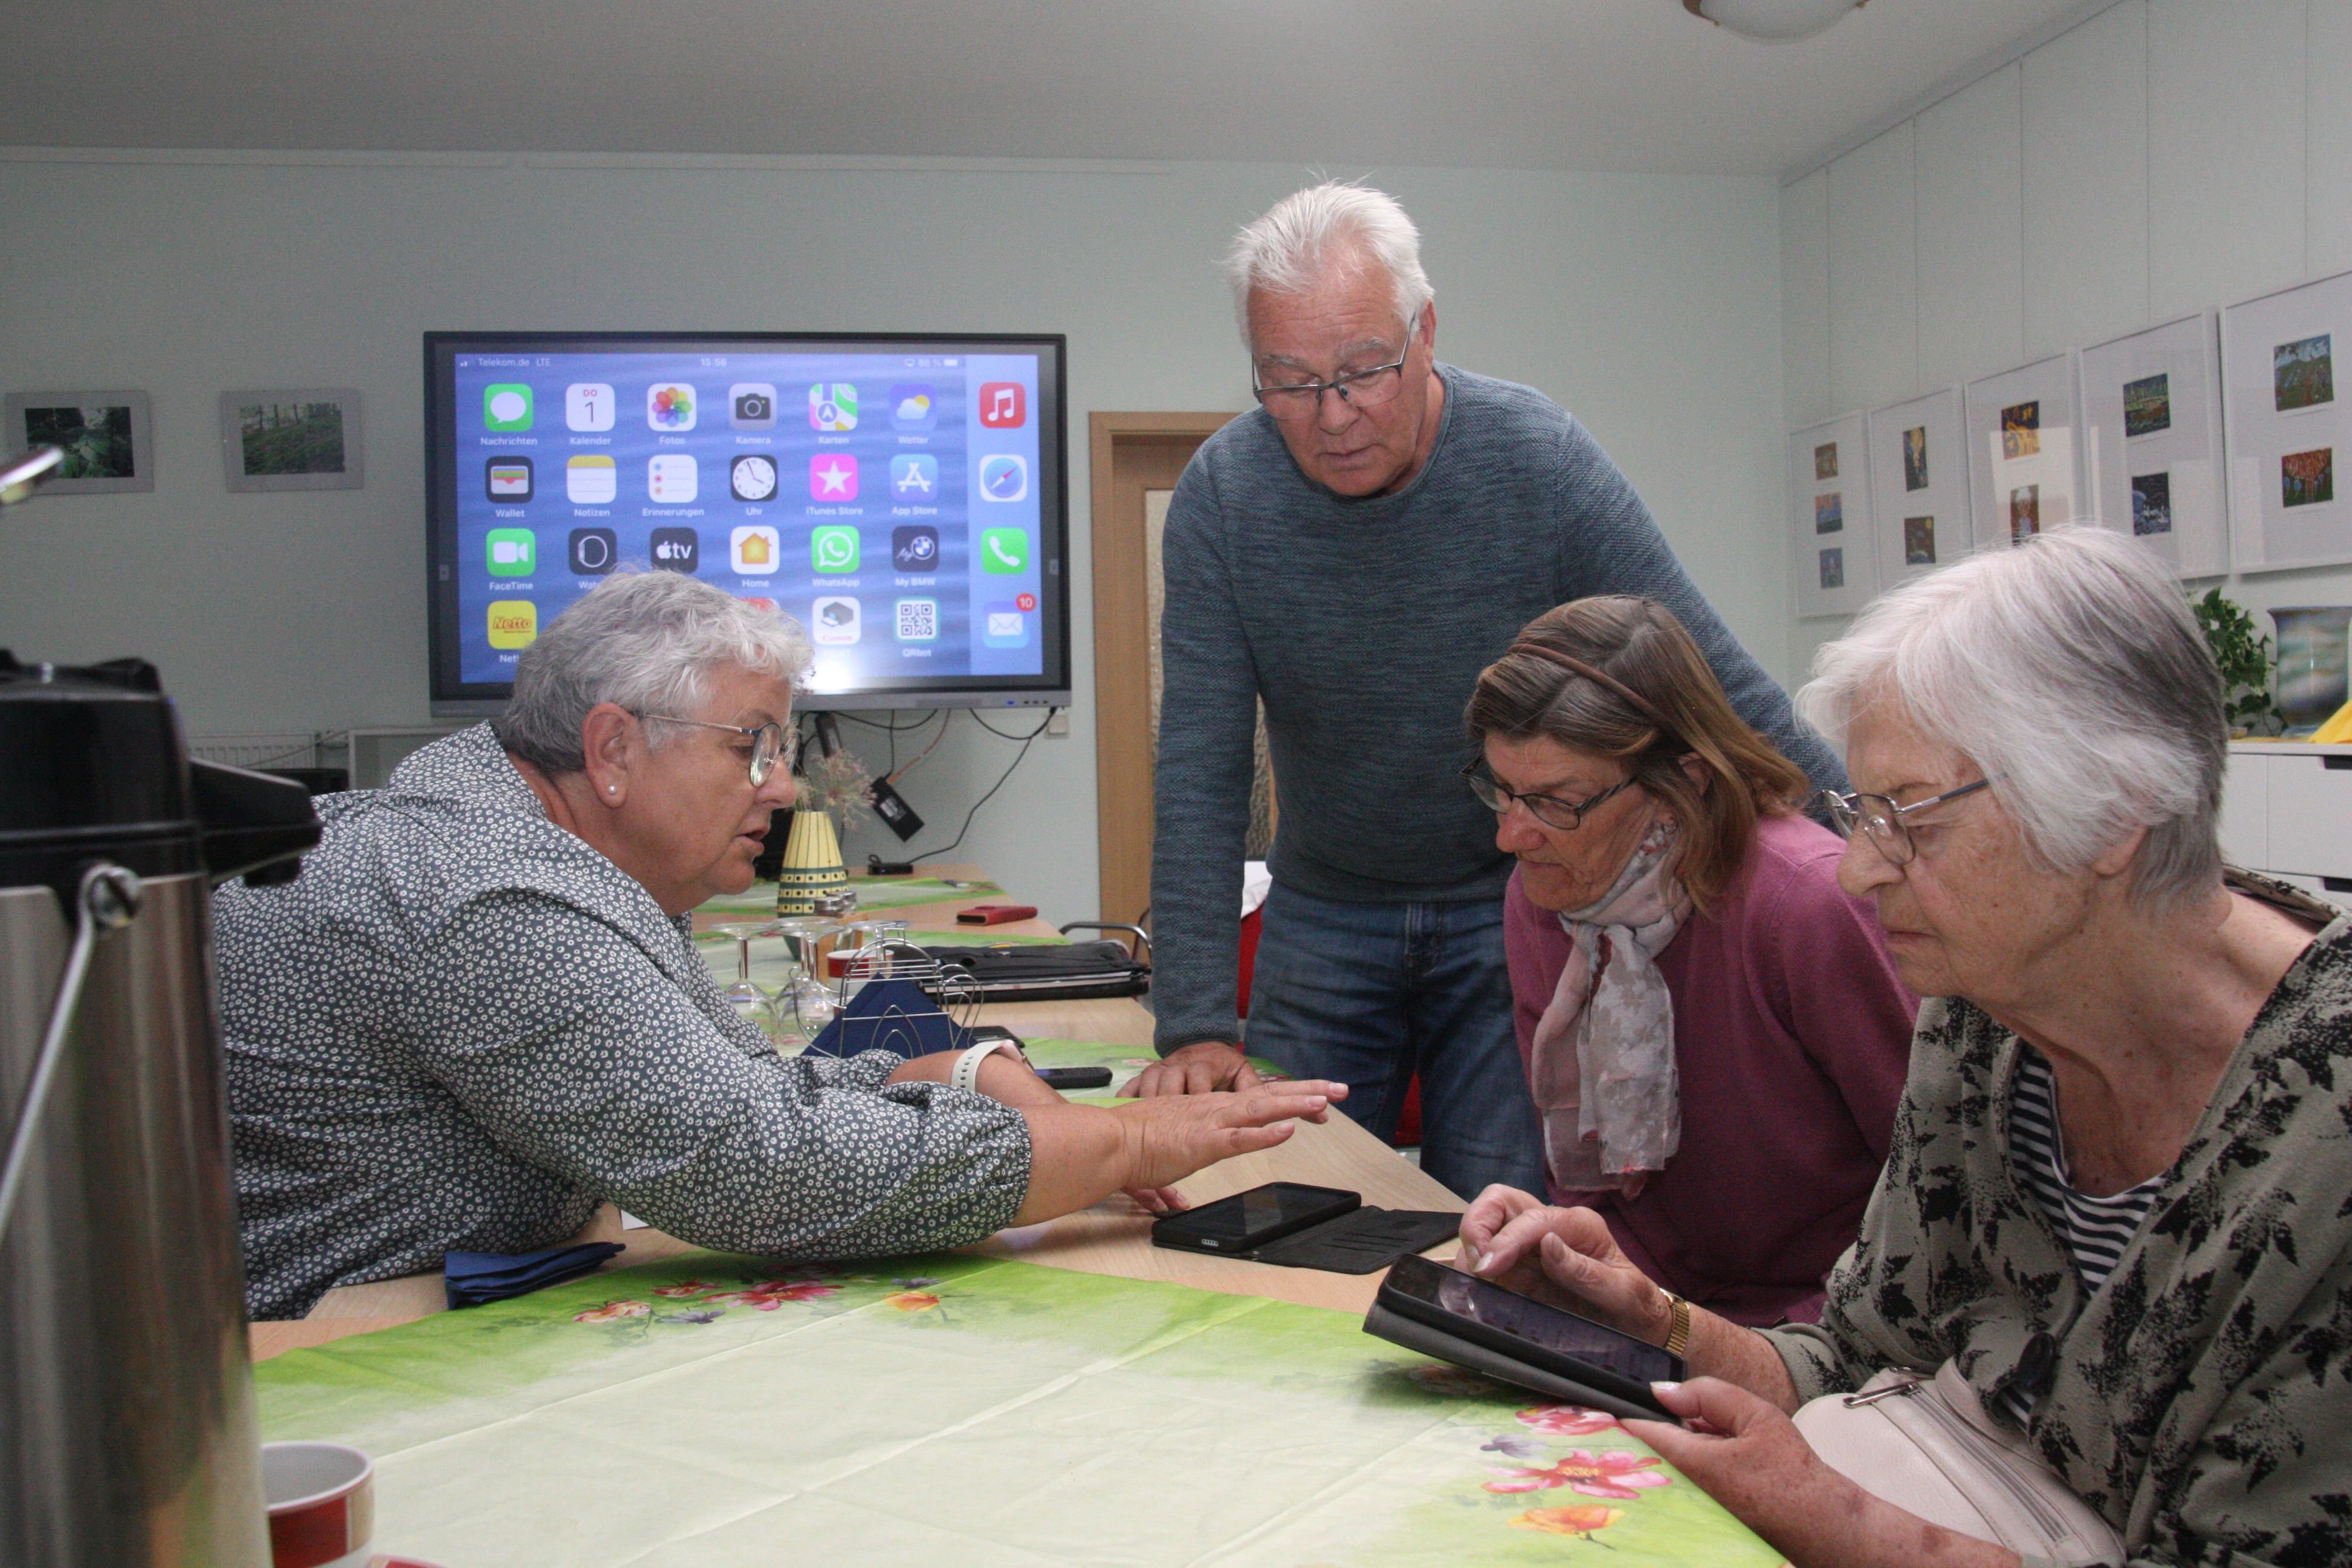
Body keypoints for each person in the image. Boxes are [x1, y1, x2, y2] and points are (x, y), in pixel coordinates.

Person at [1457, 528, 2352, 1566]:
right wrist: (1653, 1317)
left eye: (1908, 818)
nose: (1856, 872)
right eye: (1861, 812)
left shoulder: (2322, 1127)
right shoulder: (1980, 1005)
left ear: (2117, 813)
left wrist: (1838, 1520)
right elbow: (1854, 1349)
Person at [217, 571, 1342, 1320]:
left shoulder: (542, 857)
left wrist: (979, 1079)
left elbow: (753, 1092)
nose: (786, 783)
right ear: (612, 750)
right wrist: (1127, 1143)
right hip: (308, 1365)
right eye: (751, 745)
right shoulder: (494, 899)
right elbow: (767, 1170)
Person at [1128, 180, 1843, 1200]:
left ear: (1425, 331)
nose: (1333, 417)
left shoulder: (1537, 459)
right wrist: (1196, 1019)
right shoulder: (1223, 497)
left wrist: (1877, 847)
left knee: (1495, 1236)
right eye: (1288, 381)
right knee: (1271, 1210)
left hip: (1517, 907)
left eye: (1363, 370)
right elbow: (1197, 764)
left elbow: (1711, 680)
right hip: (1325, 910)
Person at [1467, 596, 1914, 1326]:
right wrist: (1562, 1258)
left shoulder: (1809, 905)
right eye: (1502, 792)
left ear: (1684, 783)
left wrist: (1725, 1341)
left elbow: (1939, 1190)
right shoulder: (1543, 897)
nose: (1511, 836)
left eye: (1556, 802)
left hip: (1839, 1326)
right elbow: (1595, 1197)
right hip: (1661, 1314)